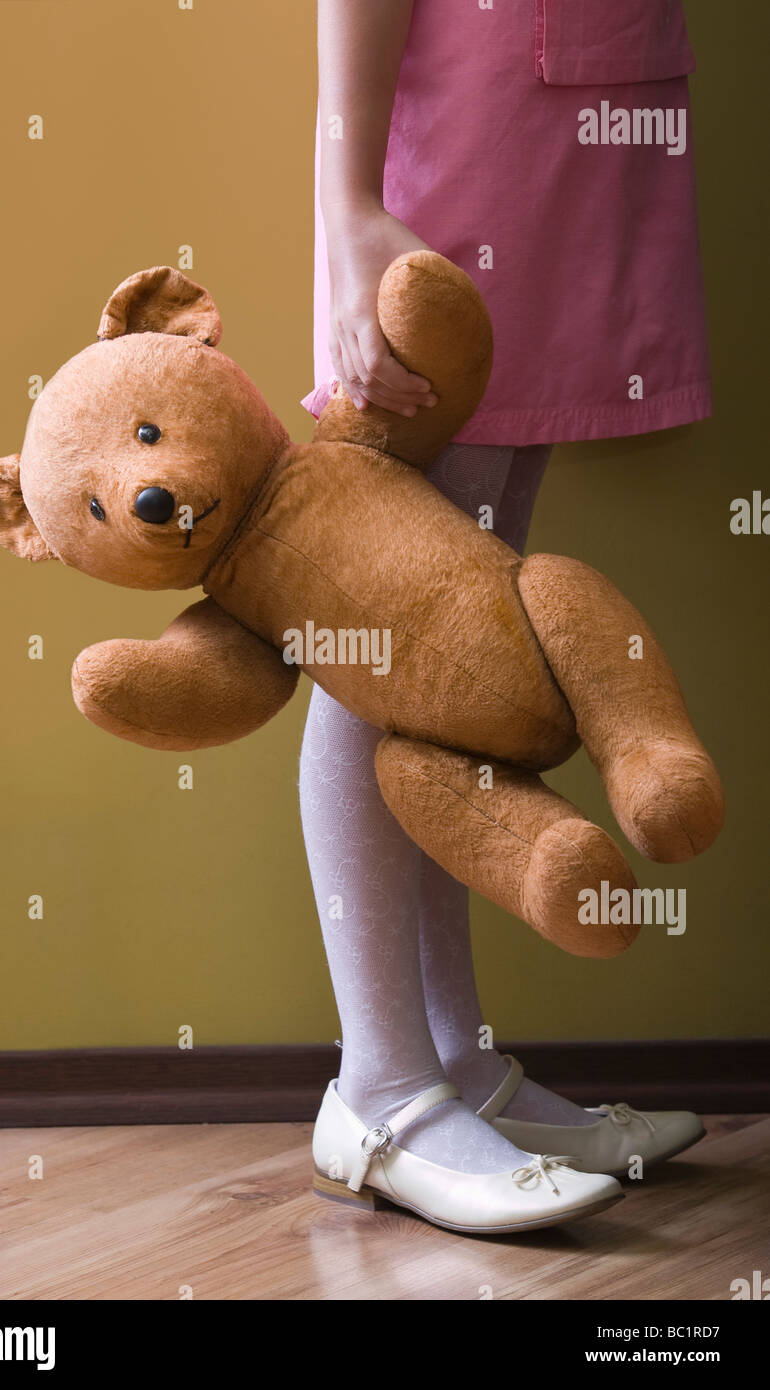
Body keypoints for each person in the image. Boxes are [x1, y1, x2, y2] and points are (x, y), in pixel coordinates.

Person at [299, 0, 710, 1233]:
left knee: (467, 640)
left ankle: (451, 1061)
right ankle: (378, 1088)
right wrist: (348, 208)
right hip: (474, 141)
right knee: (392, 625)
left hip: (579, 126)